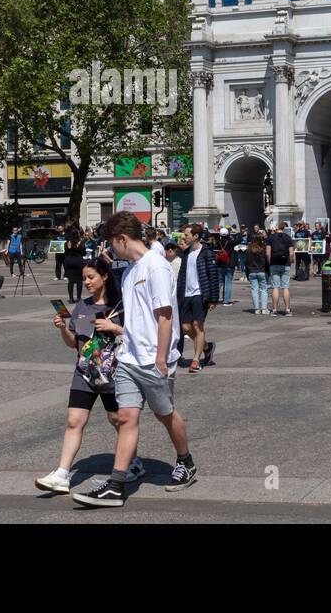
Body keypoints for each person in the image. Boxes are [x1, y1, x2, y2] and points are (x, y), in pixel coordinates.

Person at [73, 212, 196, 508]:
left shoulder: (157, 267)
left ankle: (185, 461)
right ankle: (116, 484)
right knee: (126, 417)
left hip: (154, 357)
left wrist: (161, 356)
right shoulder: (129, 271)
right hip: (129, 355)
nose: (112, 251)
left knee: (164, 413)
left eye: (113, 245)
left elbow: (165, 315)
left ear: (122, 239)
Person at [35, 256, 146, 494]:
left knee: (118, 421)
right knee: (74, 421)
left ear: (104, 277)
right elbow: (73, 343)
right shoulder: (82, 307)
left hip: (114, 375)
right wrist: (63, 328)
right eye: (84, 277)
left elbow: (140, 337)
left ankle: (134, 463)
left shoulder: (123, 306)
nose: (86, 282)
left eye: (91, 277)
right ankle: (62, 474)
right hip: (84, 373)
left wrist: (114, 328)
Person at [176, 224, 219, 373]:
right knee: (186, 328)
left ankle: (196, 361)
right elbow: (182, 276)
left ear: (195, 236)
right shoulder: (186, 253)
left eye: (187, 234)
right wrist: (178, 294)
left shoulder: (207, 253)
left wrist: (213, 299)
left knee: (197, 326)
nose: (184, 237)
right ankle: (207, 347)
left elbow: (213, 276)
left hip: (201, 294)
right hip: (186, 295)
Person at [266, 221, 294, 316]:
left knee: (275, 287)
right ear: (284, 228)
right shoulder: (288, 238)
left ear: (277, 227)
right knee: (285, 287)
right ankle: (287, 310)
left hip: (274, 264)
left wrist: (270, 262)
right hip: (285, 264)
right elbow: (291, 253)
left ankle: (274, 310)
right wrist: (290, 262)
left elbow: (267, 253)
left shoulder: (271, 237)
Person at [245, 234, 269, 315]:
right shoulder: (263, 249)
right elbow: (266, 261)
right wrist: (268, 271)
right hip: (261, 271)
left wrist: (247, 273)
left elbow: (246, 262)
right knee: (263, 290)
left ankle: (257, 309)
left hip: (252, 271)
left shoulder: (248, 250)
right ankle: (264, 308)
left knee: (254, 290)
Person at [63, 228, 86, 304]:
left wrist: (70, 249)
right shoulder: (80, 242)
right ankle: (78, 298)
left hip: (69, 262)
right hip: (78, 262)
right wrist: (79, 247)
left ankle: (71, 298)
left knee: (71, 281)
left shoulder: (67, 243)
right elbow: (84, 253)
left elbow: (65, 253)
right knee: (79, 281)